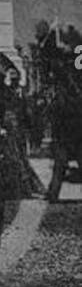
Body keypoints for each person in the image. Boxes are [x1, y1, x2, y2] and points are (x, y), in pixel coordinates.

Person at [0, 66, 44, 238]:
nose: (13, 81)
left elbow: (23, 113)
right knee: (13, 159)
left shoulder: (14, 93)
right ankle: (16, 188)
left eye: (15, 79)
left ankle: (19, 187)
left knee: (18, 157)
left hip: (16, 129)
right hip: (8, 129)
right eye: (10, 78)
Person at [45, 61, 82, 203]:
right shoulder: (74, 97)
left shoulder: (61, 98)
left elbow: (53, 115)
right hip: (75, 135)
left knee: (59, 168)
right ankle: (52, 194)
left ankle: (53, 194)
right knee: (60, 167)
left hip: (66, 136)